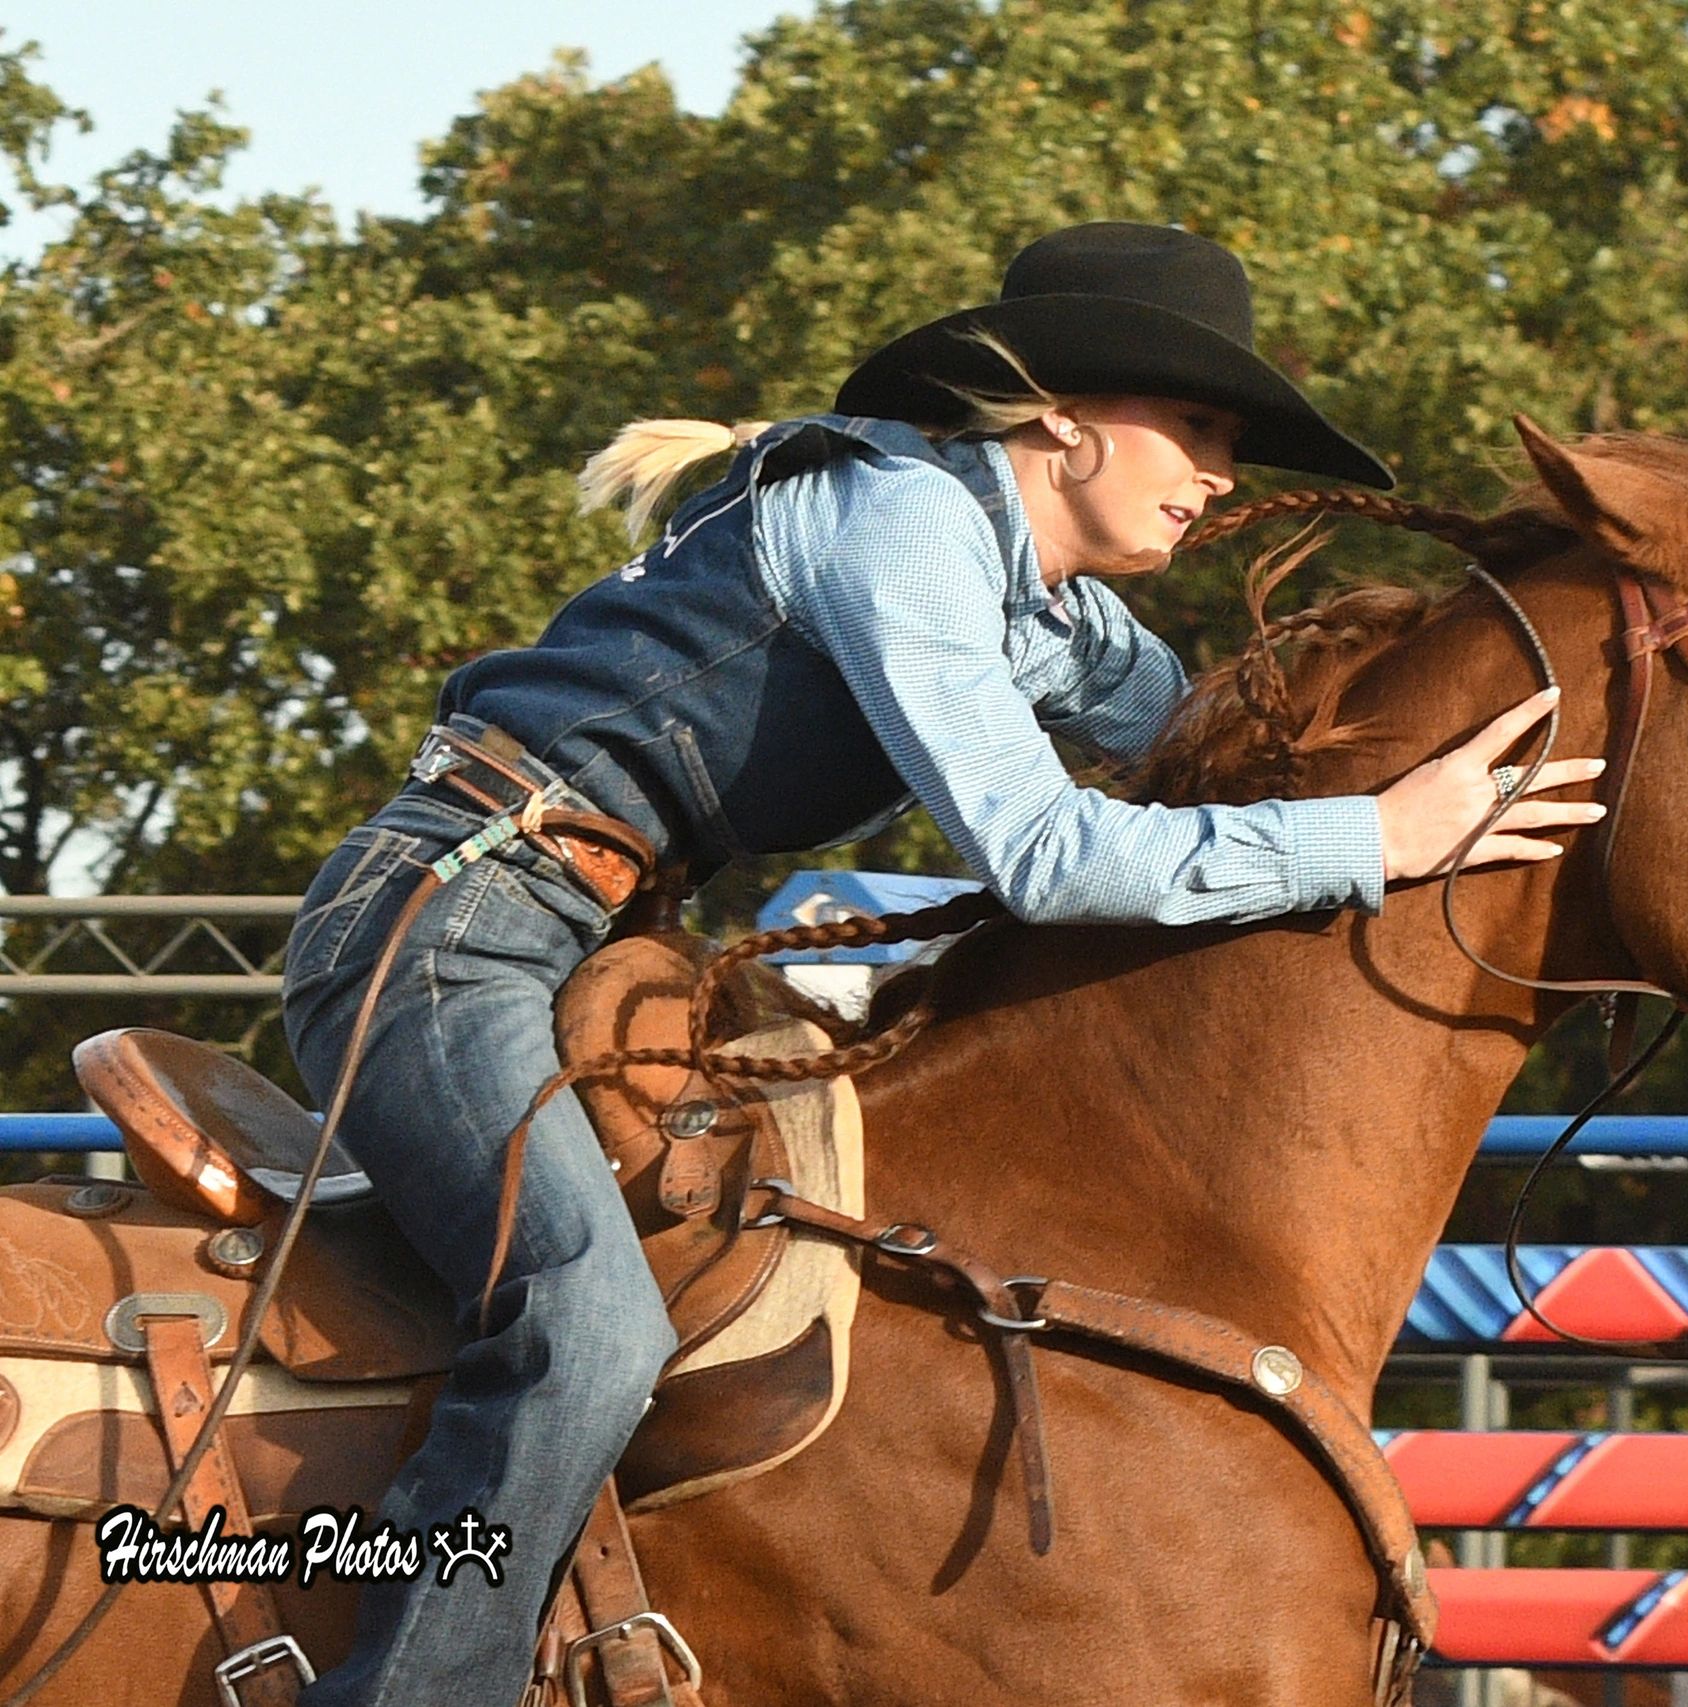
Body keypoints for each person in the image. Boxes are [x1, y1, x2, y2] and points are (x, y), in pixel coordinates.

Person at [277, 221, 1606, 1705]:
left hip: (589, 940)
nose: (1223, 475)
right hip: (447, 926)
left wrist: (1424, 756)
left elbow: (1192, 754)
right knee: (586, 1325)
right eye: (1199, 428)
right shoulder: (899, 521)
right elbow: (1045, 856)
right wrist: (1378, 840)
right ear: (1061, 419)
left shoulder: (1046, 610)